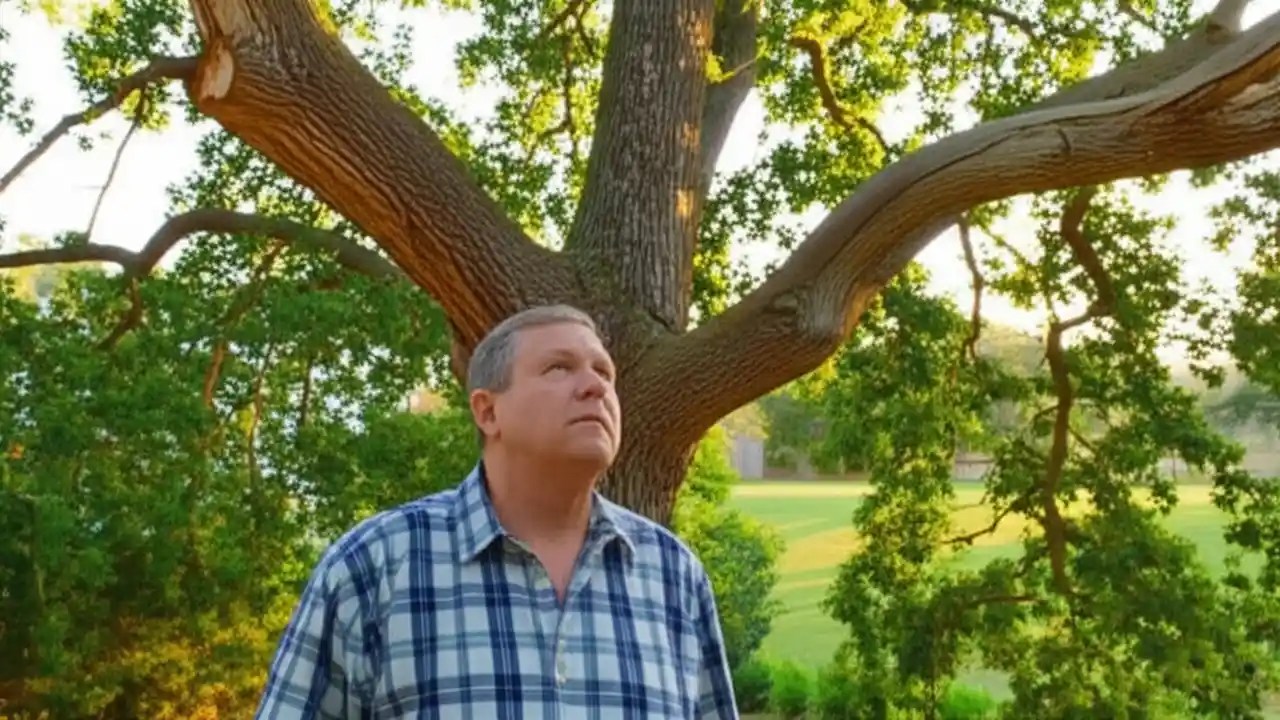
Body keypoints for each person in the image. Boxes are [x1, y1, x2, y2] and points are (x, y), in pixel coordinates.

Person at [254, 304, 739, 719]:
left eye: (604, 372)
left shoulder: (673, 575)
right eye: (559, 368)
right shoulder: (375, 566)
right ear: (487, 412)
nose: (595, 386)